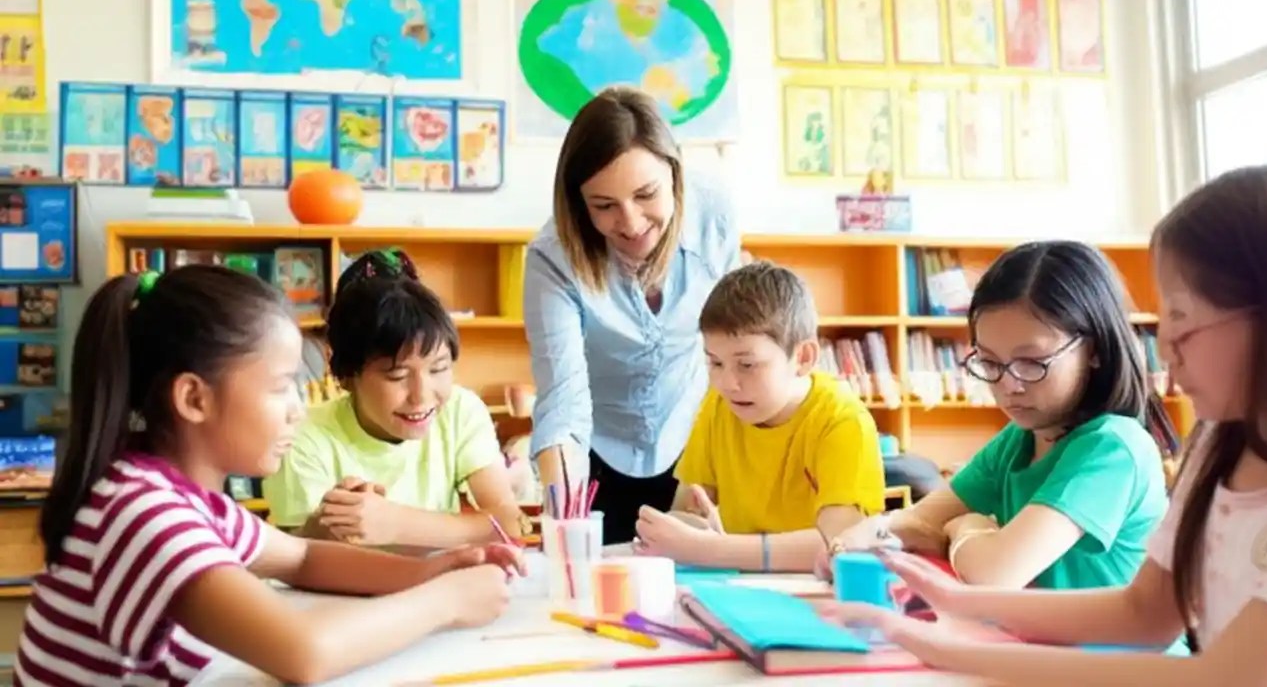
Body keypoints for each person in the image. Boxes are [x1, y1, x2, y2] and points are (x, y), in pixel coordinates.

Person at [818, 165, 1267, 684]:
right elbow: (1145, 611)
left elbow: (1220, 676)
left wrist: (945, 629)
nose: (1164, 346)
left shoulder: (1116, 445)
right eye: (989, 362)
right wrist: (954, 600)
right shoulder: (1216, 445)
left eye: (1181, 317)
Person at [15, 266, 522, 686]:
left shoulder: (183, 497)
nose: (297, 410)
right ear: (193, 398)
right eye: (280, 387)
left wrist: (435, 570)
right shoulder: (142, 512)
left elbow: (302, 558)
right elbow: (304, 654)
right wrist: (445, 601)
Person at [822, 241, 1176, 591]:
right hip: (1030, 629)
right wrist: (861, 537)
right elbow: (917, 521)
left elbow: (997, 574)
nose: (1008, 385)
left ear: (1094, 349)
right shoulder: (1021, 439)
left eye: (1032, 363)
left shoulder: (1114, 446)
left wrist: (967, 526)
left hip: (1102, 634)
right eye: (989, 362)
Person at [524, 86, 739, 544]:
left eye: (646, 194)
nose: (631, 222)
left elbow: (735, 343)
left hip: (695, 442)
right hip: (596, 456)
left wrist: (730, 464)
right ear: (579, 202)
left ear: (674, 173)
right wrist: (564, 523)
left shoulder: (713, 214)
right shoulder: (552, 258)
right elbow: (563, 401)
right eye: (604, 206)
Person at [263, 249, 525, 547]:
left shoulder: (460, 411)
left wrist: (399, 524)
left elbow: (510, 523)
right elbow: (292, 553)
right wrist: (327, 526)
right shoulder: (303, 437)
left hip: (446, 575)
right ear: (346, 375)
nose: (421, 396)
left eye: (438, 368)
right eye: (397, 375)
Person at [633, 262, 885, 570]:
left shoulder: (842, 420)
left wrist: (711, 549)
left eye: (747, 365)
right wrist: (675, 531)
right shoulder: (719, 406)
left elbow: (843, 544)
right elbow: (688, 512)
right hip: (735, 584)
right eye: (715, 363)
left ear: (803, 357)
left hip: (818, 589)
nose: (727, 383)